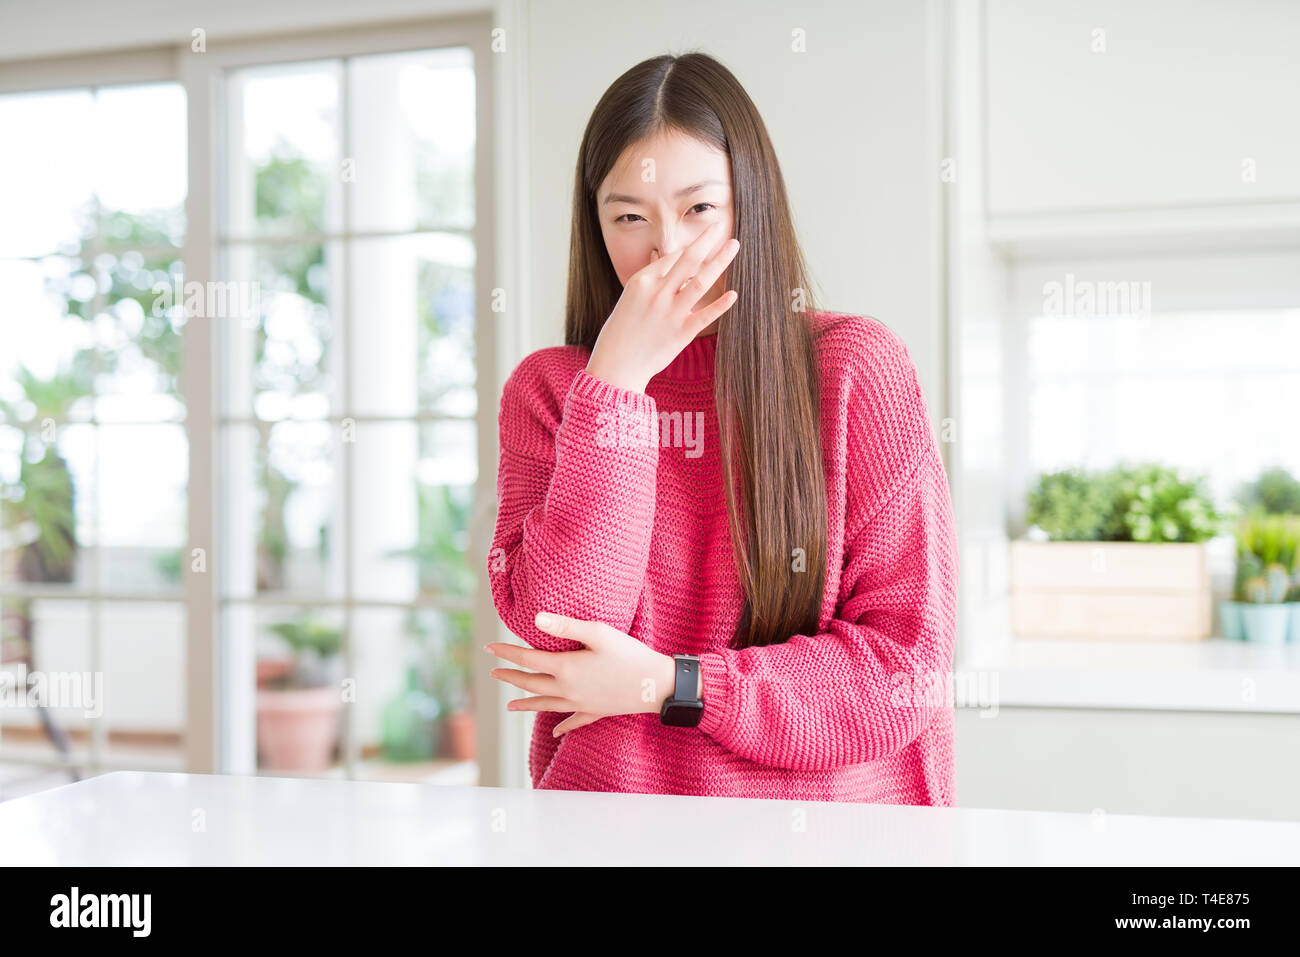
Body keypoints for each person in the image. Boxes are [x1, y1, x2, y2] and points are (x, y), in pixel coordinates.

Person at [485, 50, 960, 804]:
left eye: (700, 208)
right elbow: (561, 628)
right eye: (630, 217)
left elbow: (902, 672)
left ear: (752, 203)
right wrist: (615, 385)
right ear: (596, 226)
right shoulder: (552, 390)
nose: (667, 249)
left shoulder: (855, 372)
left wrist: (668, 683)